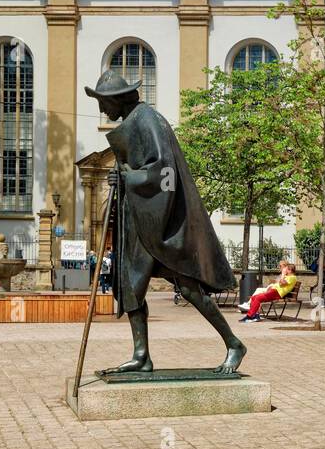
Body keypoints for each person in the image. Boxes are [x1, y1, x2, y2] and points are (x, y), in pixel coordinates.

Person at [84, 69, 246, 375]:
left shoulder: (148, 120)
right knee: (131, 287)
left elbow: (166, 172)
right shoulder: (133, 121)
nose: (102, 110)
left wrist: (129, 177)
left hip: (162, 226)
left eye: (104, 102)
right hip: (139, 222)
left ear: (118, 99)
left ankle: (234, 343)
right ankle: (141, 355)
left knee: (188, 289)